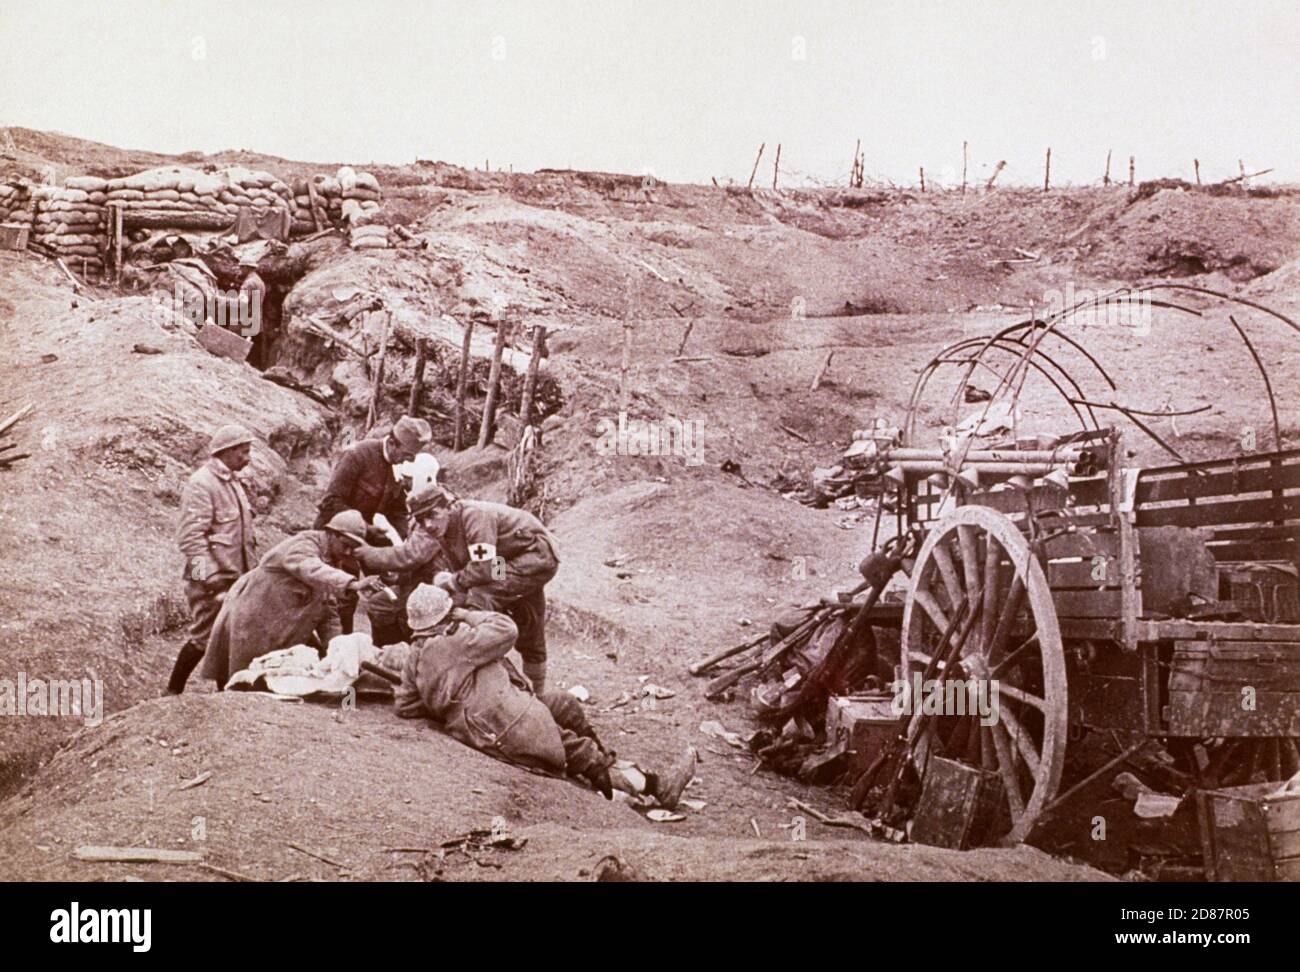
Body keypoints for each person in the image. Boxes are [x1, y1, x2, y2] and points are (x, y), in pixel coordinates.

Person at [396, 584, 696, 807]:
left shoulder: (416, 656)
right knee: (576, 748)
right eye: (451, 611)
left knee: (564, 705)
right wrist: (466, 614)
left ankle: (609, 767)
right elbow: (506, 628)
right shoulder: (456, 642)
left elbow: (407, 705)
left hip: (507, 710)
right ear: (446, 615)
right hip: (508, 723)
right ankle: (654, 786)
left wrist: (446, 701)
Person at [355, 484, 559, 693]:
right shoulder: (443, 530)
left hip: (536, 556)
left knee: (482, 596)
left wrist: (452, 582)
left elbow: (482, 569)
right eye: (421, 519)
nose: (428, 524)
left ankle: (481, 673)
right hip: (503, 561)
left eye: (433, 515)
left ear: (448, 507)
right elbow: (470, 567)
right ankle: (534, 692)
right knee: (526, 617)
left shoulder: (475, 516)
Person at [201, 510, 389, 689]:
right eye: (345, 545)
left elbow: (328, 611)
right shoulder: (304, 544)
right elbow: (311, 568)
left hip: (279, 626)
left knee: (265, 681)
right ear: (330, 534)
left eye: (353, 548)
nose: (348, 552)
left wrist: (337, 650)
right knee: (239, 678)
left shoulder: (331, 561)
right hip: (253, 618)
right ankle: (178, 690)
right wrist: (353, 584)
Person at [315, 415, 432, 638]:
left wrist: (403, 540)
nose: (405, 462)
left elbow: (397, 511)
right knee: (343, 596)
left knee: (389, 585)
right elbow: (331, 502)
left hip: (368, 534)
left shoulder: (397, 470)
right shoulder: (358, 454)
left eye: (411, 458)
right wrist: (367, 529)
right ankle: (340, 645)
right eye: (405, 456)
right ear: (392, 443)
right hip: (337, 534)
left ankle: (384, 647)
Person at [167, 425, 258, 695]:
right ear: (226, 453)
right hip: (212, 580)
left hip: (236, 576)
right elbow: (190, 540)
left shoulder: (232, 481)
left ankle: (224, 694)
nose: (247, 458)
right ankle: (172, 691)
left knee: (229, 636)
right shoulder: (202, 484)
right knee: (205, 636)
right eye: (243, 452)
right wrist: (207, 581)